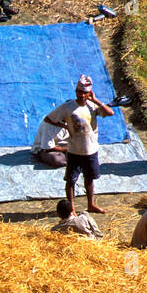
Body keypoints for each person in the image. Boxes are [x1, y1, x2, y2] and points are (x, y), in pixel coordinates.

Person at [44, 75, 114, 215]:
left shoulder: (93, 106)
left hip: (90, 150)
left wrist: (95, 100)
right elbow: (49, 118)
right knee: (71, 180)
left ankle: (91, 204)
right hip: (74, 150)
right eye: (79, 92)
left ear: (89, 93)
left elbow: (110, 112)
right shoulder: (68, 107)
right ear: (76, 91)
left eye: (84, 93)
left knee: (89, 178)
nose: (81, 95)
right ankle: (72, 208)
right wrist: (65, 126)